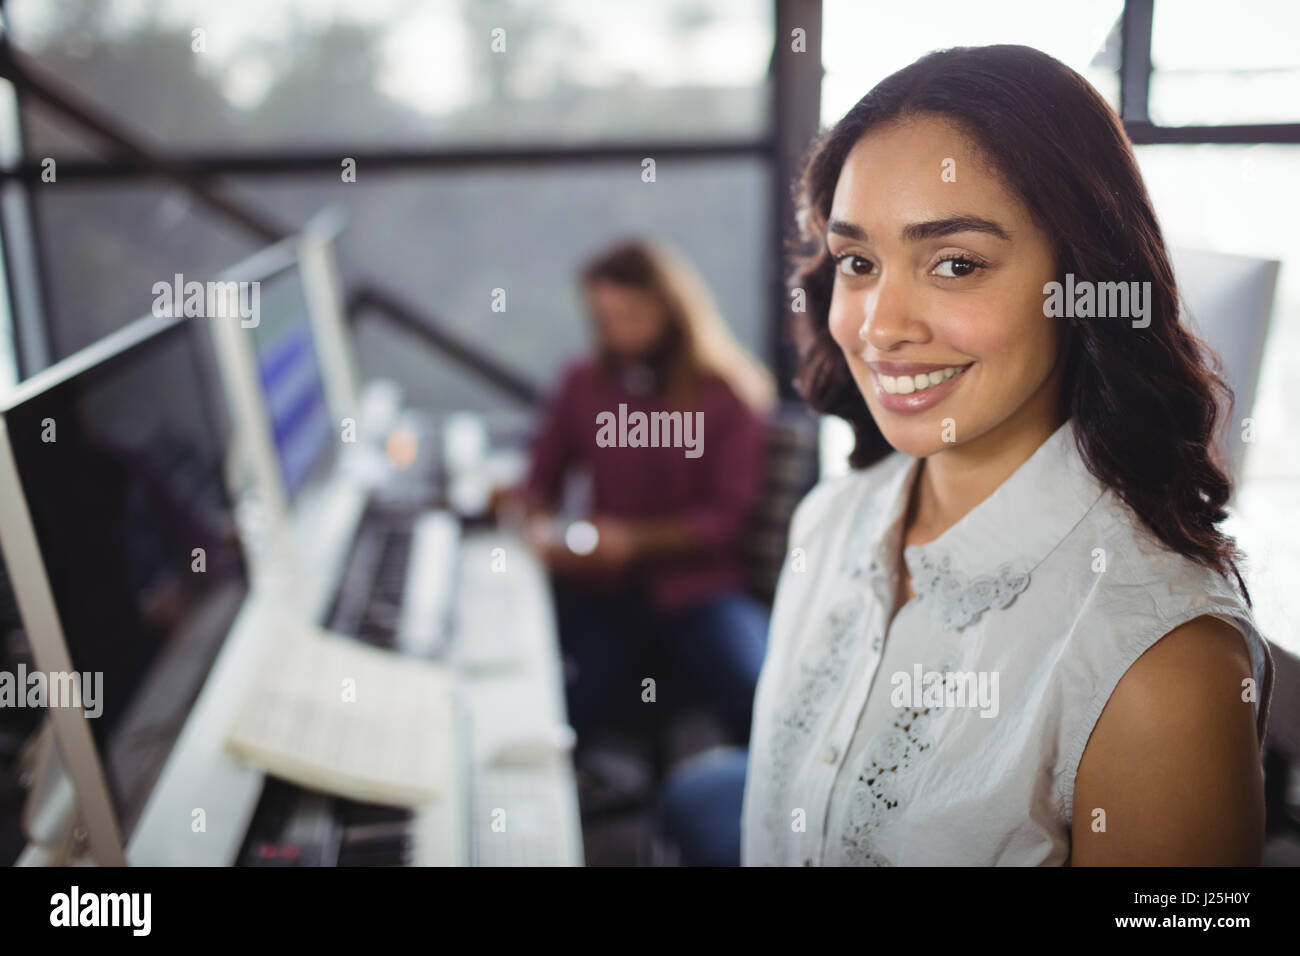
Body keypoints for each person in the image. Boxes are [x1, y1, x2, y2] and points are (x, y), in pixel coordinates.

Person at [734, 44, 1275, 866]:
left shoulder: (1164, 665)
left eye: (955, 263)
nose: (881, 326)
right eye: (858, 261)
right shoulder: (828, 523)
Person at [515, 238, 777, 757]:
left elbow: (728, 519)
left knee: (761, 696)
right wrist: (538, 530)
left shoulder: (728, 392)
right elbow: (539, 482)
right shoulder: (582, 384)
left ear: (672, 309)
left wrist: (633, 542)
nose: (617, 330)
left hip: (703, 590)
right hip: (601, 588)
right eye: (604, 316)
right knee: (543, 700)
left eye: (631, 314)